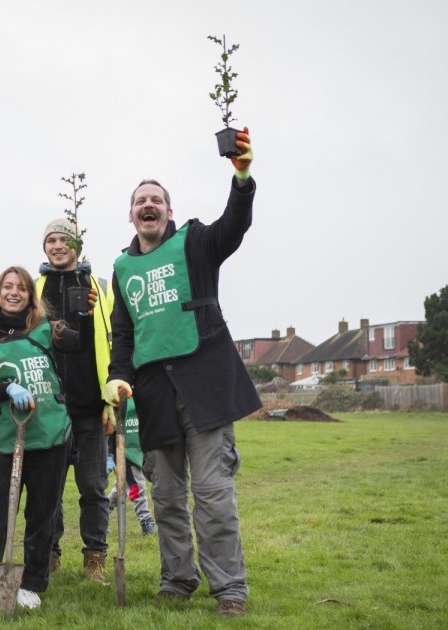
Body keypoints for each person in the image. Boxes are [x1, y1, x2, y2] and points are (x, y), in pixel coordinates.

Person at [104, 128, 259, 617]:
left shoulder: (195, 241)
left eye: (157, 200)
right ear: (131, 214)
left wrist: (242, 177)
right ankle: (177, 578)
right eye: (140, 201)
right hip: (152, 394)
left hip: (204, 387)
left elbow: (233, 227)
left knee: (213, 494)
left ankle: (229, 589)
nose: (148, 206)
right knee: (167, 496)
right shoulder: (122, 267)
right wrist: (116, 374)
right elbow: (123, 334)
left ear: (168, 211)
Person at [0, 266, 78, 611]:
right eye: (7, 287)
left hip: (50, 436)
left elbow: (83, 342)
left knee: (42, 513)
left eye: (22, 289)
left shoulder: (49, 331)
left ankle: (32, 582)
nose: (14, 293)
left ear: (31, 296)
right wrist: (5, 388)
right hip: (2, 438)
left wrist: (82, 308)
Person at [35, 218, 116, 583]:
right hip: (49, 405)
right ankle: (49, 554)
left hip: (90, 406)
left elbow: (115, 339)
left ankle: (95, 557)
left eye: (64, 239)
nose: (57, 246)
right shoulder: (35, 287)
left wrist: (111, 400)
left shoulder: (99, 286)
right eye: (50, 240)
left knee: (93, 486)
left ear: (77, 245)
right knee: (47, 486)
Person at [105, 399, 156, 535]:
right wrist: (113, 456)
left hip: (139, 452)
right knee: (137, 488)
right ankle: (146, 521)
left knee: (118, 491)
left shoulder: (141, 398)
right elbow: (111, 434)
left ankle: (100, 518)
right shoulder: (118, 401)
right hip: (125, 454)